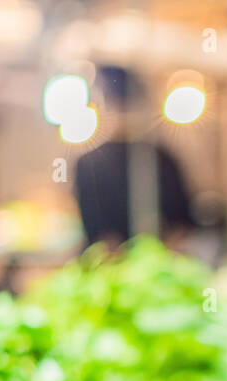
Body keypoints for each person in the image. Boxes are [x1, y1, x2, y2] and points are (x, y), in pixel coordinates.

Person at [73, 65, 195, 250]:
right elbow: (94, 233)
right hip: (114, 270)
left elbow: (181, 225)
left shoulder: (161, 160)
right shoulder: (88, 164)